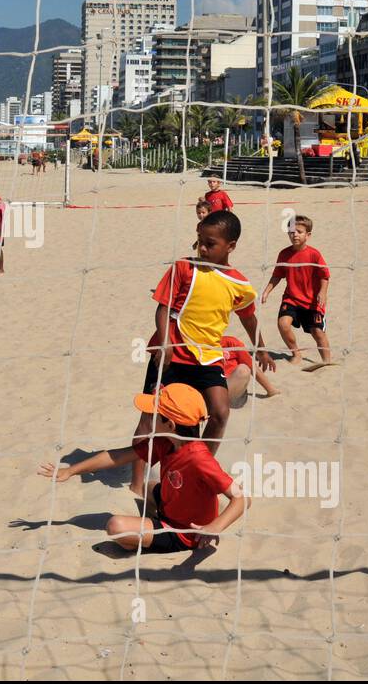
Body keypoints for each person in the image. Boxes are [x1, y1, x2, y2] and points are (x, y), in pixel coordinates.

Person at [131, 210, 275, 494]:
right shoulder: (184, 268)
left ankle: (198, 468)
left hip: (207, 358)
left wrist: (261, 347)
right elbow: (164, 307)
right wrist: (165, 341)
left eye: (210, 243)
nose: (203, 248)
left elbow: (249, 318)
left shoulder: (240, 284)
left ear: (230, 246)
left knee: (220, 412)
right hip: (171, 355)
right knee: (149, 418)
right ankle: (136, 484)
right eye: (200, 241)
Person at [37, 384, 249, 554]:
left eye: (154, 414)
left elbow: (242, 499)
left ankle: (148, 535)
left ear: (170, 425)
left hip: (184, 532)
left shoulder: (199, 458)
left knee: (115, 527)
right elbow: (117, 456)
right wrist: (72, 470)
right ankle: (151, 524)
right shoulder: (166, 443)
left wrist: (215, 527)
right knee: (149, 487)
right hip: (171, 507)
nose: (149, 416)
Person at [261, 214, 333, 368]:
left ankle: (327, 362)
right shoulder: (284, 254)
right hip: (291, 298)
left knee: (317, 333)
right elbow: (277, 275)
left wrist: (323, 292)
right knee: (283, 324)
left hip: (313, 301)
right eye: (291, 232)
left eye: (299, 232)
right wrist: (267, 291)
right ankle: (296, 353)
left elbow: (325, 276)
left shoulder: (314, 254)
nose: (295, 235)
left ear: (308, 235)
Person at [220, 335, 279, 406]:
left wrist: (270, 389)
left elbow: (251, 366)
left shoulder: (230, 342)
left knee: (243, 370)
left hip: (231, 387)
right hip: (211, 388)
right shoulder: (204, 346)